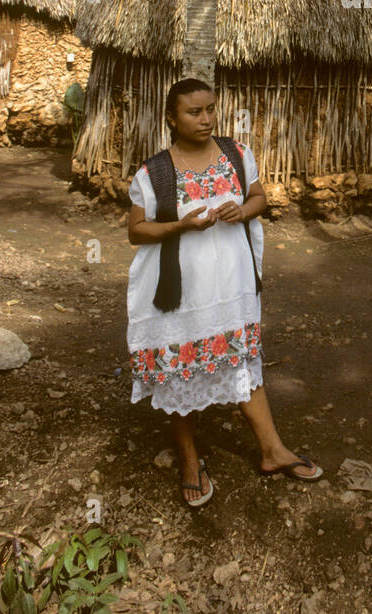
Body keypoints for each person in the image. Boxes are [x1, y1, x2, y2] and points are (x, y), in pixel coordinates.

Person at [126, 77, 322, 506]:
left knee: (240, 357)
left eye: (211, 109)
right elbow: (136, 231)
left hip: (231, 285)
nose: (206, 119)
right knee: (182, 368)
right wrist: (181, 224)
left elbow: (259, 198)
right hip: (179, 293)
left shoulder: (237, 154)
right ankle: (190, 459)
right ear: (171, 119)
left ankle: (271, 449)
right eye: (194, 112)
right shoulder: (154, 172)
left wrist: (243, 209)